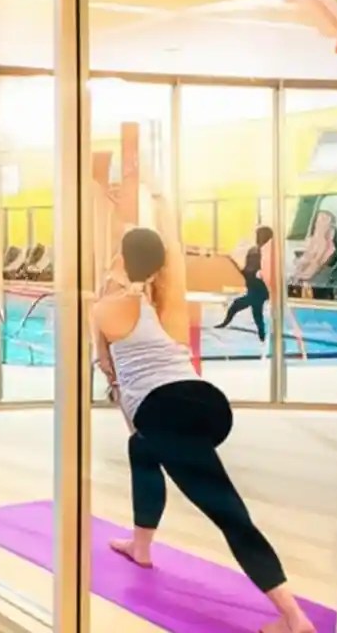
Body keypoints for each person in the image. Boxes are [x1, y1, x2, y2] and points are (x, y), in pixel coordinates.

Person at [93, 194, 314, 633]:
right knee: (142, 448)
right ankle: (141, 545)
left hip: (165, 409)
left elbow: (109, 370)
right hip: (207, 403)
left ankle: (293, 618)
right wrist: (161, 201)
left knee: (226, 509)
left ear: (119, 259)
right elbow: (170, 252)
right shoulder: (166, 303)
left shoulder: (102, 309)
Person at [216, 226, 274, 342]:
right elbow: (249, 270)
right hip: (254, 287)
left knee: (240, 305)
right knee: (256, 313)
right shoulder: (254, 251)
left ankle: (226, 323)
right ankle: (262, 335)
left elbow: (260, 272)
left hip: (260, 290)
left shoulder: (266, 253)